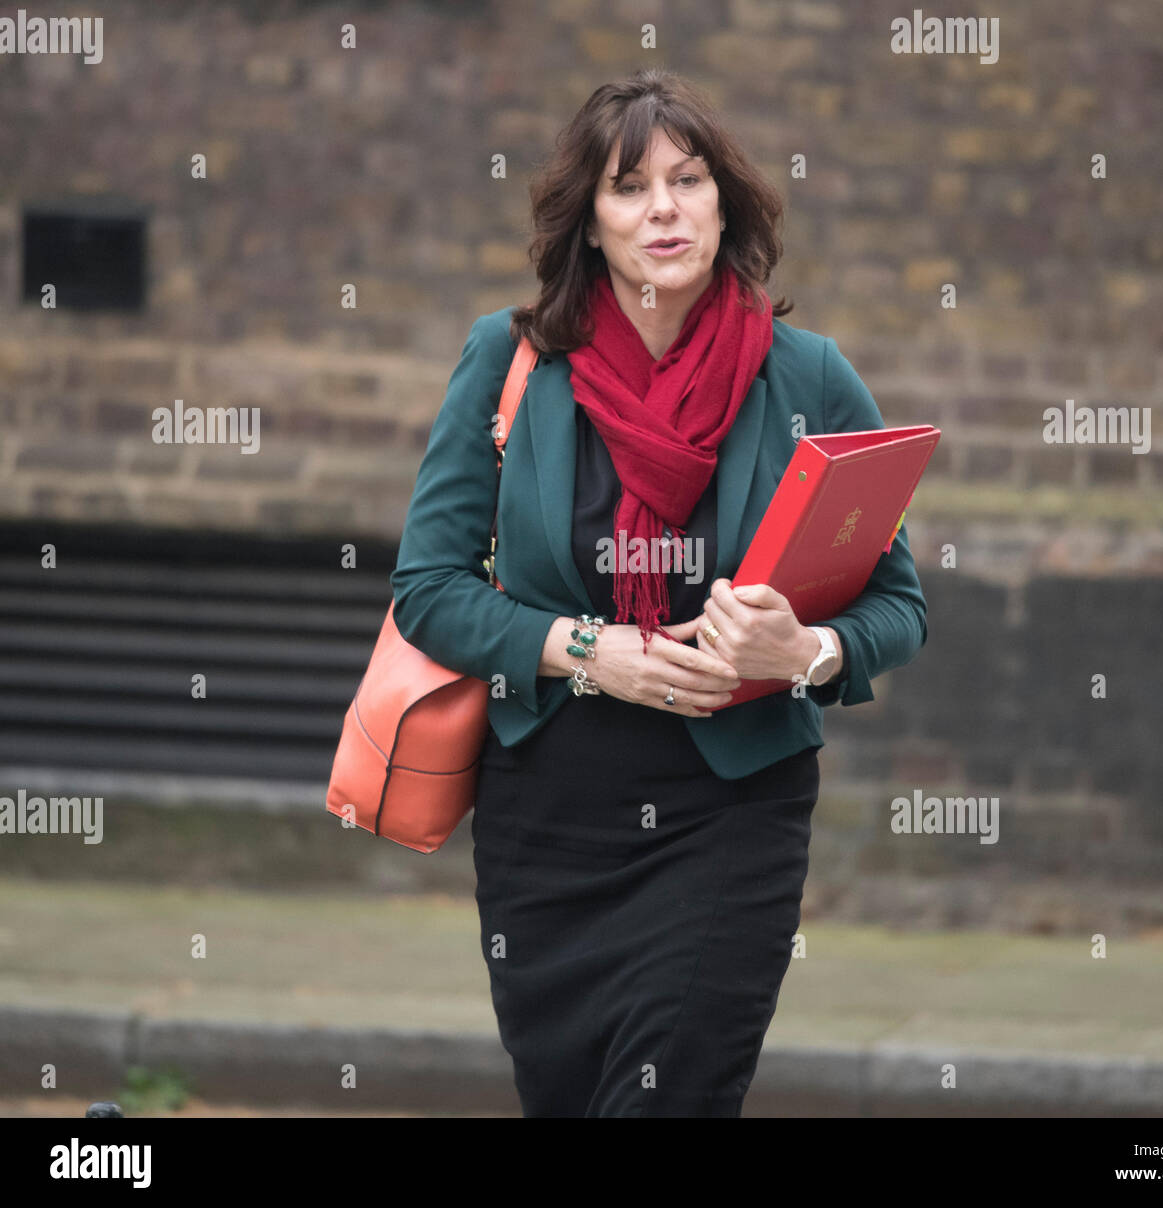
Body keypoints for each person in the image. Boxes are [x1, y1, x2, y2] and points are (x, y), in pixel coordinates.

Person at [390, 67, 928, 1117]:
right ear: (589, 223)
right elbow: (428, 588)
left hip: (730, 806)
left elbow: (898, 605)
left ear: (724, 203)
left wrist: (803, 652)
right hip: (546, 816)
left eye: (688, 180)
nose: (664, 209)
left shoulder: (807, 378)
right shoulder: (511, 364)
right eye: (629, 187)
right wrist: (592, 650)